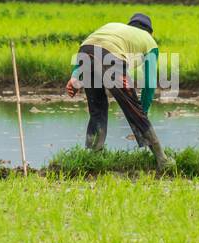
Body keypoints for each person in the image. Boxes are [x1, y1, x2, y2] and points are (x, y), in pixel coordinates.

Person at [66, 13, 174, 173]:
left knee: (97, 109)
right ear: (150, 32)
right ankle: (162, 159)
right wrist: (142, 111)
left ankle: (92, 157)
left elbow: (90, 45)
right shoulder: (149, 41)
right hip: (111, 57)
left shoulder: (116, 28)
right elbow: (150, 82)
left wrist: (74, 76)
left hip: (85, 51)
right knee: (135, 111)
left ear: (130, 25)